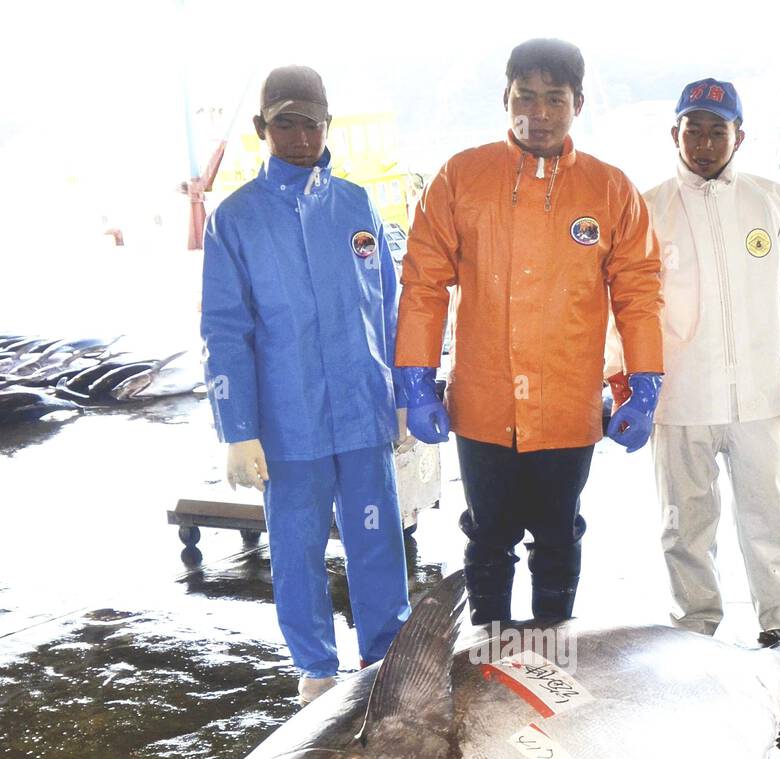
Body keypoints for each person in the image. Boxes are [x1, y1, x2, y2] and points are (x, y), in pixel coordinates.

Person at [395, 37, 664, 627]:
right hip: (483, 401)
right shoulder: (461, 177)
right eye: (526, 97)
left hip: (569, 403)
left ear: (578, 104)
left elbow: (640, 291)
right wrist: (415, 380)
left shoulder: (611, 189)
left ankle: (551, 647)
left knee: (559, 530)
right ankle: (487, 649)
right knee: (487, 533)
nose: (538, 113)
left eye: (554, 99)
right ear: (505, 98)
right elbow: (423, 282)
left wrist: (645, 387)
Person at [201, 66, 411, 704]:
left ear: (328, 126)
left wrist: (404, 394)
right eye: (285, 122)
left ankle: (385, 661)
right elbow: (224, 329)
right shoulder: (233, 219)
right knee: (297, 549)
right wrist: (239, 431)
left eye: (311, 122)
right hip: (288, 424)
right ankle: (316, 672)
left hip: (362, 411)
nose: (299, 135)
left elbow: (390, 308)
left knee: (377, 539)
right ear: (262, 128)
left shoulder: (356, 204)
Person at [637, 79, 780, 655]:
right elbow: (629, 302)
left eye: (717, 129)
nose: (703, 141)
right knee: (683, 523)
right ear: (675, 133)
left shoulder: (767, 200)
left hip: (756, 396)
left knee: (769, 511)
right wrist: (624, 376)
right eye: (692, 128)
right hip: (681, 397)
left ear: (738, 136)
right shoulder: (648, 207)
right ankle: (694, 624)